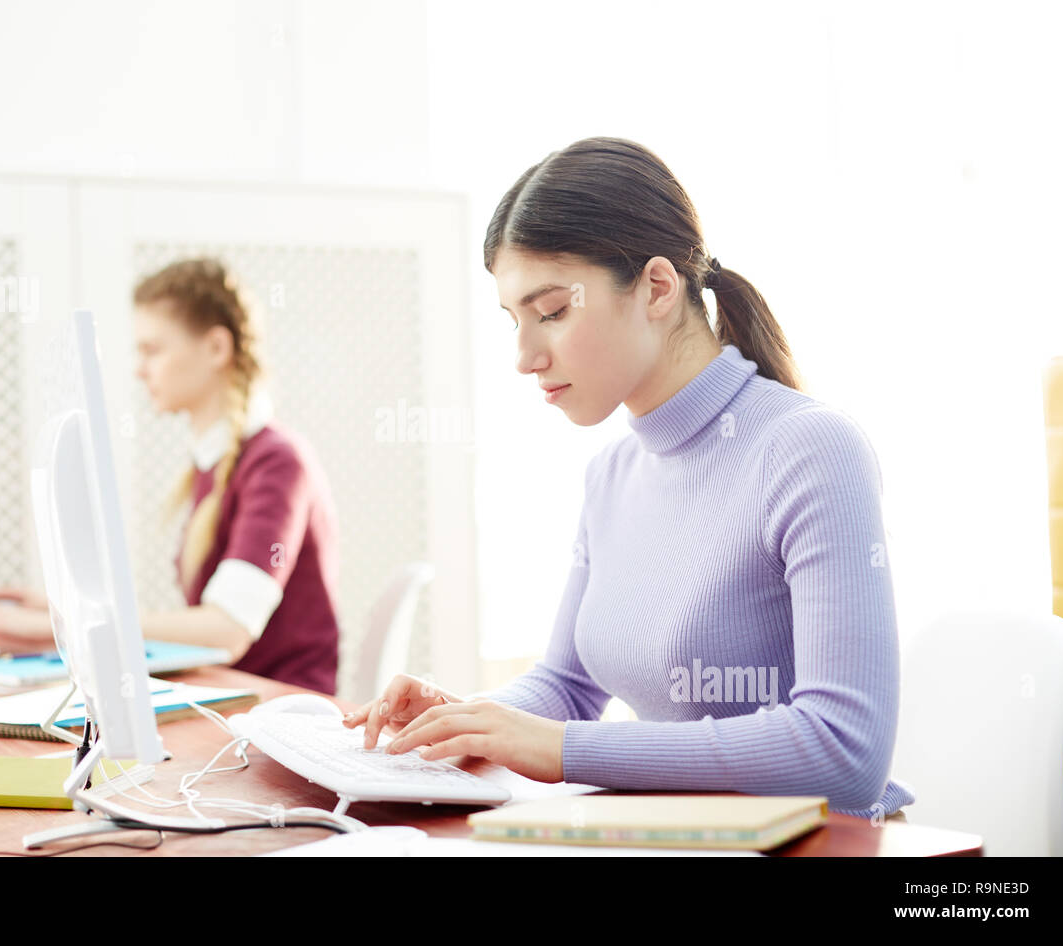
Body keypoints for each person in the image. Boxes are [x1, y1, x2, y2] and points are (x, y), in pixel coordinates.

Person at [343, 136, 915, 818]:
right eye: (514, 320)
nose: (525, 356)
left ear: (657, 288)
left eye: (552, 311)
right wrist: (467, 718)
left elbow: (843, 754)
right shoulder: (611, 473)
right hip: (676, 836)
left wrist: (566, 750)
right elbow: (565, 685)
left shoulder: (812, 450)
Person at [0, 258, 342, 694]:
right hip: (235, 700)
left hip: (281, 710)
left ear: (216, 348)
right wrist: (63, 613)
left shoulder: (278, 463)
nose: (139, 369)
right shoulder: (219, 464)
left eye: (152, 350)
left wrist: (59, 628)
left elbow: (227, 630)